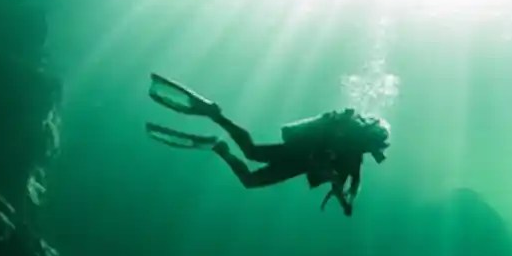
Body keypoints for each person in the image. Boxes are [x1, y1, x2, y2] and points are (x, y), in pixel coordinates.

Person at [143, 73, 390, 216]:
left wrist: (345, 201)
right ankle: (216, 131)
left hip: (297, 161)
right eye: (377, 146)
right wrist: (343, 198)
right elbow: (344, 179)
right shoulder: (351, 146)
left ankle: (217, 130)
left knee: (251, 163)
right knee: (251, 163)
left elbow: (348, 183)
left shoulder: (355, 152)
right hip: (298, 155)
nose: (376, 152)